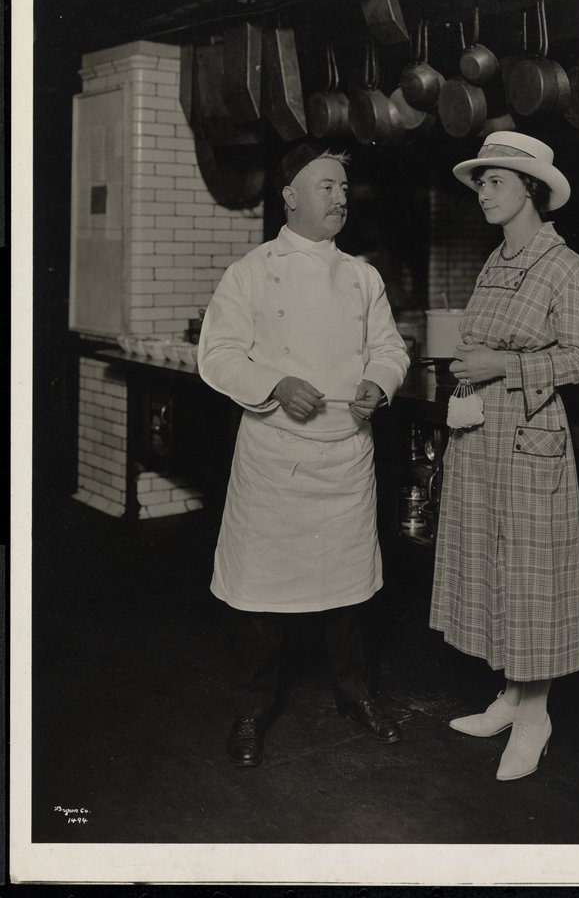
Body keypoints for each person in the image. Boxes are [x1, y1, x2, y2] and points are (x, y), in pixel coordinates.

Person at [198, 144, 410, 767]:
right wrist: (275, 385)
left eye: (344, 187)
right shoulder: (252, 272)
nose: (341, 197)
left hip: (345, 456)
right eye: (326, 186)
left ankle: (355, 696)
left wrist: (380, 381)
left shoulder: (362, 275)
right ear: (289, 195)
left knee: (346, 596)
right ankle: (250, 711)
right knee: (264, 601)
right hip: (277, 457)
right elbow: (217, 354)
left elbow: (390, 348)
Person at [429, 132, 579, 782]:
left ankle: (535, 718)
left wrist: (500, 363)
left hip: (530, 436)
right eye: (479, 183)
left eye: (493, 181)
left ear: (528, 186)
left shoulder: (566, 267)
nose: (482, 192)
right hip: (479, 434)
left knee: (531, 574)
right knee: (492, 561)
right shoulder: (496, 261)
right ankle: (508, 697)